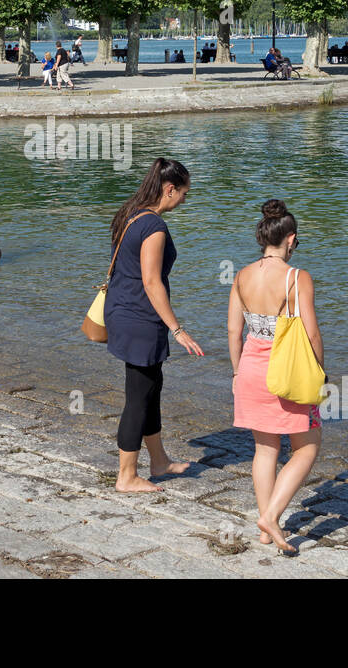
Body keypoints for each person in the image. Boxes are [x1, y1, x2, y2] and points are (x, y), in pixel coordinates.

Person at [228, 199, 323, 551]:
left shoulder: (241, 276)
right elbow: (311, 334)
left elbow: (233, 331)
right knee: (307, 447)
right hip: (288, 374)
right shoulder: (297, 278)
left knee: (265, 449)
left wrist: (237, 373)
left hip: (251, 370)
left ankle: (266, 529)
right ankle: (272, 516)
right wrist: (320, 375)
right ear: (291, 239)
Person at [104, 157, 203, 493]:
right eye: (183, 194)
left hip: (122, 310)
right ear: (169, 189)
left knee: (151, 389)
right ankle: (126, 476)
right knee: (138, 396)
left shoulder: (130, 212)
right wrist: (177, 328)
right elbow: (151, 281)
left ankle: (159, 461)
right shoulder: (155, 227)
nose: (184, 200)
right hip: (140, 317)